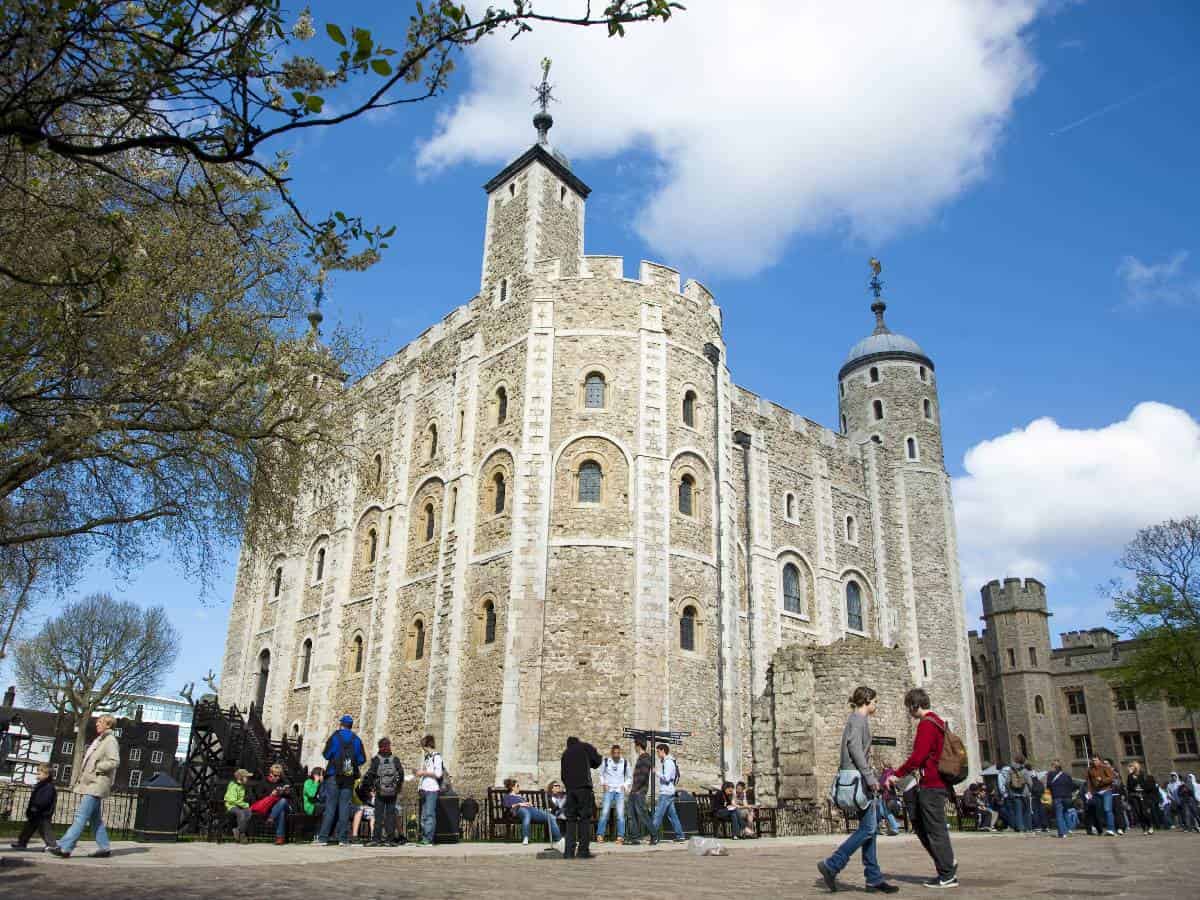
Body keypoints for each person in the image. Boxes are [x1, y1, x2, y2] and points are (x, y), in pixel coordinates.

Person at [817, 686, 898, 894]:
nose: (876, 705)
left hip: (858, 778)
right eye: (875, 701)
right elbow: (854, 748)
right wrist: (870, 777)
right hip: (860, 780)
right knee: (868, 829)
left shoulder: (856, 720)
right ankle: (833, 864)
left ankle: (873, 878)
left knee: (870, 830)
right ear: (867, 700)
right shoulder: (858, 720)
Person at [886, 687, 957, 890]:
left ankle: (947, 873)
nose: (909, 712)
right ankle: (946, 866)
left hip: (932, 784)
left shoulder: (926, 725)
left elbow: (919, 756)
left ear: (915, 705)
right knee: (926, 825)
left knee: (935, 829)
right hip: (935, 783)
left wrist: (897, 774)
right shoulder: (938, 722)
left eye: (909, 707)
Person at [49, 714, 120, 859]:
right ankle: (104, 847)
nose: (97, 724)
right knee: (95, 819)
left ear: (108, 725)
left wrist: (97, 767)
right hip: (93, 782)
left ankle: (65, 847)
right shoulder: (101, 740)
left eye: (100, 722)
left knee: (80, 817)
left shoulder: (110, 741)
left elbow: (114, 761)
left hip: (97, 783)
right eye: (97, 722)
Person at [317, 714, 367, 846]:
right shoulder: (356, 739)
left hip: (333, 774)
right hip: (349, 776)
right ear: (351, 726)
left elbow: (326, 754)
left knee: (331, 806)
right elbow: (362, 759)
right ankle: (343, 839)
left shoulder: (335, 737)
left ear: (341, 724)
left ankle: (323, 838)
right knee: (345, 807)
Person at [560, 735, 602, 859]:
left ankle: (568, 852)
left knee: (571, 819)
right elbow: (597, 761)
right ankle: (583, 851)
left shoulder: (565, 754)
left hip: (570, 789)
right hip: (583, 788)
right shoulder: (584, 747)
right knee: (584, 818)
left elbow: (563, 775)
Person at [364, 737, 404, 846]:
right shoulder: (395, 759)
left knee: (378, 815)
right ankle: (389, 839)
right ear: (389, 746)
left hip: (380, 791)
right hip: (392, 791)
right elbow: (401, 773)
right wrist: (398, 787)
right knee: (390, 815)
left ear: (379, 747)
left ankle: (376, 839)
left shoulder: (376, 759)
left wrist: (371, 788)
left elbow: (370, 774)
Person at [10, 762, 58, 850]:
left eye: (39, 773)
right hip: (35, 812)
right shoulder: (40, 785)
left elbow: (46, 800)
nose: (37, 775)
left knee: (45, 830)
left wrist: (37, 806)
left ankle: (52, 845)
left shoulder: (48, 787)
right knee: (28, 828)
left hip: (43, 813)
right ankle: (22, 843)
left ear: (46, 775)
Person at [502, 777, 563, 846]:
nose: (519, 788)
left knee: (551, 817)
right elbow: (507, 805)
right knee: (526, 814)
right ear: (512, 787)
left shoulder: (520, 797)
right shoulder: (507, 796)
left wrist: (528, 803)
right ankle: (526, 837)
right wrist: (520, 804)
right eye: (517, 786)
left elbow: (526, 804)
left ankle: (559, 839)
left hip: (530, 810)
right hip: (519, 810)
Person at [649, 743, 686, 846]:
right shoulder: (667, 761)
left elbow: (667, 777)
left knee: (658, 814)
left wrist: (656, 772)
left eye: (658, 751)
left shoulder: (668, 762)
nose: (657, 754)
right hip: (669, 792)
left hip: (666, 792)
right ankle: (680, 835)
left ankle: (654, 836)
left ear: (662, 751)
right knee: (672, 815)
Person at [596, 743, 631, 844]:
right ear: (611, 753)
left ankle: (620, 836)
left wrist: (624, 785)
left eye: (618, 753)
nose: (616, 755)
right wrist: (604, 784)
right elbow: (601, 774)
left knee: (620, 814)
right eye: (614, 753)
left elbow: (629, 777)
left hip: (619, 791)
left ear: (620, 753)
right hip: (609, 790)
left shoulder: (624, 762)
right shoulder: (606, 761)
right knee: (604, 813)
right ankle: (600, 835)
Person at [414, 734, 444, 846]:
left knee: (430, 814)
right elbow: (424, 775)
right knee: (424, 815)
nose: (423, 749)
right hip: (425, 789)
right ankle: (424, 837)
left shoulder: (437, 757)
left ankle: (429, 838)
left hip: (432, 789)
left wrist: (423, 772)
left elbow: (438, 774)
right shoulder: (427, 757)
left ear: (427, 745)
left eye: (423, 746)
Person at [625, 738, 653, 845]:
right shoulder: (640, 758)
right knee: (631, 815)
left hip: (639, 791)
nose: (634, 748)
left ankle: (654, 835)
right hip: (634, 791)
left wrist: (635, 789)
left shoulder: (645, 758)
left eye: (635, 745)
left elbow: (643, 776)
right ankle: (634, 838)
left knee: (642, 815)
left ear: (638, 746)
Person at [1086, 755, 1117, 836]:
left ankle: (1111, 829)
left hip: (1106, 791)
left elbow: (1111, 778)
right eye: (1093, 760)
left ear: (1099, 760)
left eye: (1096, 760)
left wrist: (1102, 780)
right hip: (1096, 792)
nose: (1094, 762)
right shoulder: (1090, 769)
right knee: (1098, 812)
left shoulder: (1105, 767)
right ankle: (1100, 830)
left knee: (1107, 809)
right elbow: (1089, 781)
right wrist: (1089, 791)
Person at [999, 754, 1030, 833]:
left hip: (1014, 794)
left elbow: (1006, 783)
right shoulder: (1025, 770)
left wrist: (1010, 791)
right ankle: (1026, 826)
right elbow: (1030, 782)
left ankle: (1018, 827)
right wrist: (1029, 789)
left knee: (1017, 811)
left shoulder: (1011, 770)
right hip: (1024, 793)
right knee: (1025, 811)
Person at [1047, 761, 1076, 838]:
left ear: (1054, 767)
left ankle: (1062, 833)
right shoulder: (1067, 775)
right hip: (1067, 797)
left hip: (1057, 796)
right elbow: (1072, 785)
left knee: (1059, 814)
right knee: (1065, 812)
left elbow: (1048, 785)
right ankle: (1069, 829)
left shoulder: (1051, 774)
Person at [225, 768, 254, 841]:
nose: (248, 779)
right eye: (246, 777)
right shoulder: (233, 786)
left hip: (239, 806)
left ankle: (238, 830)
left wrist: (245, 805)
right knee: (241, 813)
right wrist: (245, 805)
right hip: (231, 806)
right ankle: (242, 834)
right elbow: (232, 800)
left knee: (248, 812)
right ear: (241, 778)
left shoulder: (242, 786)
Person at [1126, 760, 1153, 834]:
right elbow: (1129, 787)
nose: (1129, 768)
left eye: (1131, 766)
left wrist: (1141, 788)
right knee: (1138, 812)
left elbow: (1145, 785)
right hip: (1135, 796)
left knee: (1144, 812)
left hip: (1143, 795)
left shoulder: (1142, 775)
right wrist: (1133, 778)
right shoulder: (1130, 776)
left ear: (1135, 767)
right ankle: (1144, 828)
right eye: (1129, 767)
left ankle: (1150, 826)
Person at [1027, 763, 1048, 832]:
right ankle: (1045, 826)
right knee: (1042, 811)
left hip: (1033, 796)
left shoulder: (1027, 774)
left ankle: (1037, 826)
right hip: (1040, 795)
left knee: (1035, 811)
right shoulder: (1036, 774)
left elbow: (1030, 786)